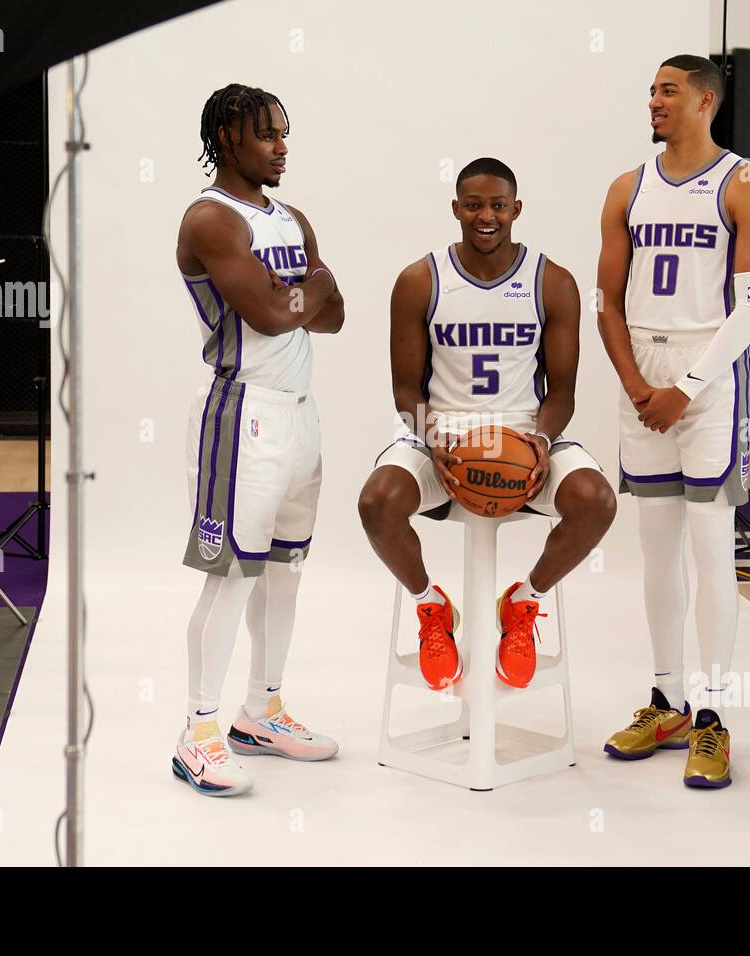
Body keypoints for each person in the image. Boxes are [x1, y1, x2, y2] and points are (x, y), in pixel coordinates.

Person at [358, 157, 615, 691]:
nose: (486, 216)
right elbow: (406, 392)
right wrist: (433, 441)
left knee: (596, 501)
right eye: (473, 205)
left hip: (526, 433)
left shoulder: (554, 282)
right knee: (376, 502)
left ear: (517, 209)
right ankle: (431, 608)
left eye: (498, 205)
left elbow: (563, 391)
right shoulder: (419, 280)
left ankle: (524, 604)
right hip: (442, 438)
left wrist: (540, 440)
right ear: (456, 209)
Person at [596, 55, 750, 788]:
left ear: (707, 101)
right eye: (651, 91)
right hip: (643, 376)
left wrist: (688, 386)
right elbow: (606, 300)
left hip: (710, 377)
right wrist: (638, 382)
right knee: (655, 548)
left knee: (711, 547)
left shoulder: (746, 185)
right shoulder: (625, 188)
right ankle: (666, 699)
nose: (654, 101)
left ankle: (713, 716)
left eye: (668, 91)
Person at [171, 83, 344, 796]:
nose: (281, 146)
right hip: (242, 414)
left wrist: (301, 293)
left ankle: (260, 711)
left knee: (282, 569)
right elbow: (276, 314)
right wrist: (308, 290)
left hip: (300, 413)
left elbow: (333, 315)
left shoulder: (291, 217)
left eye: (284, 132)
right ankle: (197, 732)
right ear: (227, 138)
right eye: (267, 133)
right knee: (231, 573)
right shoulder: (211, 219)